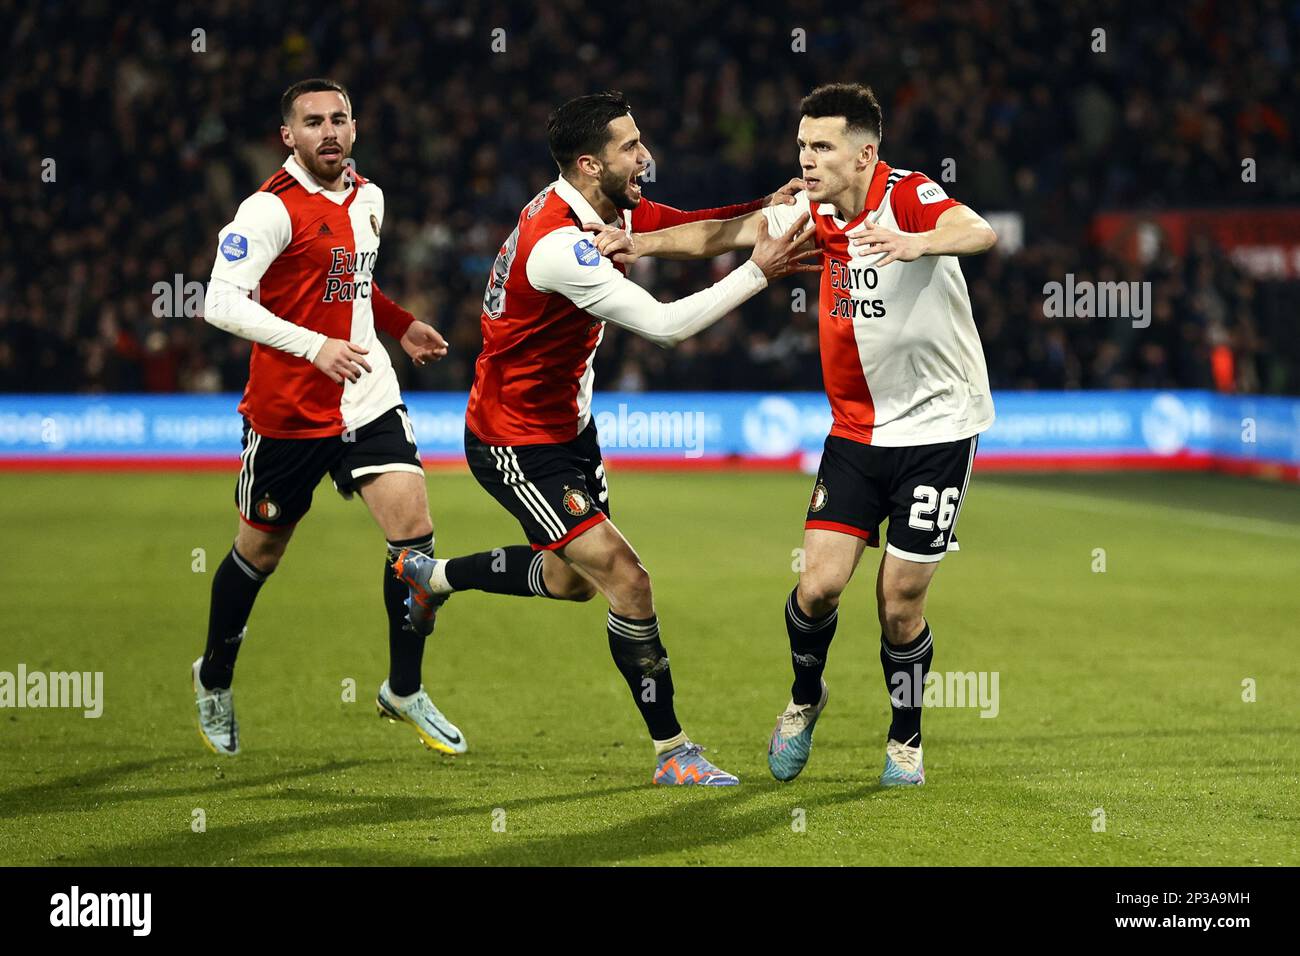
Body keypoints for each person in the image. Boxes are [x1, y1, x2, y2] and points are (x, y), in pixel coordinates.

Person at [394, 91, 818, 786]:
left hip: (570, 430)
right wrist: (757, 271)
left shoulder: (595, 206)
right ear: (590, 163)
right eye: (630, 145)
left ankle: (433, 578)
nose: (645, 154)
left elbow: (693, 229)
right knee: (628, 578)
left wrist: (764, 212)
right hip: (514, 441)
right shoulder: (559, 245)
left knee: (570, 582)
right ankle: (672, 751)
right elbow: (665, 325)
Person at [587, 83, 998, 786]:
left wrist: (915, 242)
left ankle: (905, 741)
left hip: (939, 432)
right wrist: (640, 240)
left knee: (899, 603)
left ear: (865, 153)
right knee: (818, 588)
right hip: (855, 434)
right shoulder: (812, 211)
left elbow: (978, 230)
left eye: (822, 146)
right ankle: (806, 698)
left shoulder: (909, 196)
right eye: (802, 144)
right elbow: (726, 232)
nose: (806, 158)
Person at [193, 78, 464, 758]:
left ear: (354, 126)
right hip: (289, 413)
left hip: (368, 392)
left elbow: (355, 283)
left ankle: (403, 688)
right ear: (289, 136)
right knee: (260, 553)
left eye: (339, 117)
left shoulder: (368, 197)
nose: (329, 130)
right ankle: (215, 677)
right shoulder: (265, 211)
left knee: (415, 546)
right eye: (312, 121)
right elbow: (220, 303)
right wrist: (314, 346)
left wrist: (398, 327)